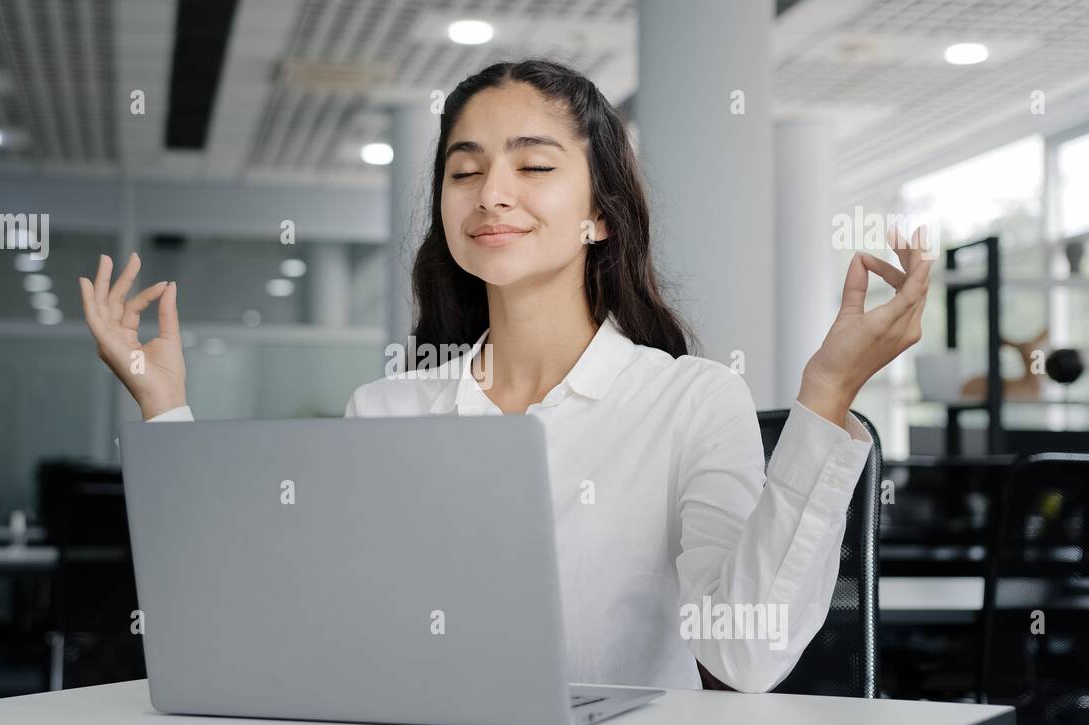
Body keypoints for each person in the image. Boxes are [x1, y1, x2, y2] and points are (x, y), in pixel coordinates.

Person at [79, 60, 931, 693]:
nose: (491, 193)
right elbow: (295, 629)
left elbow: (748, 653)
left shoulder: (688, 398)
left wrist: (826, 396)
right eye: (463, 169)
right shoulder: (385, 408)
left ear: (600, 212)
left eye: (533, 165)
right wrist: (166, 410)